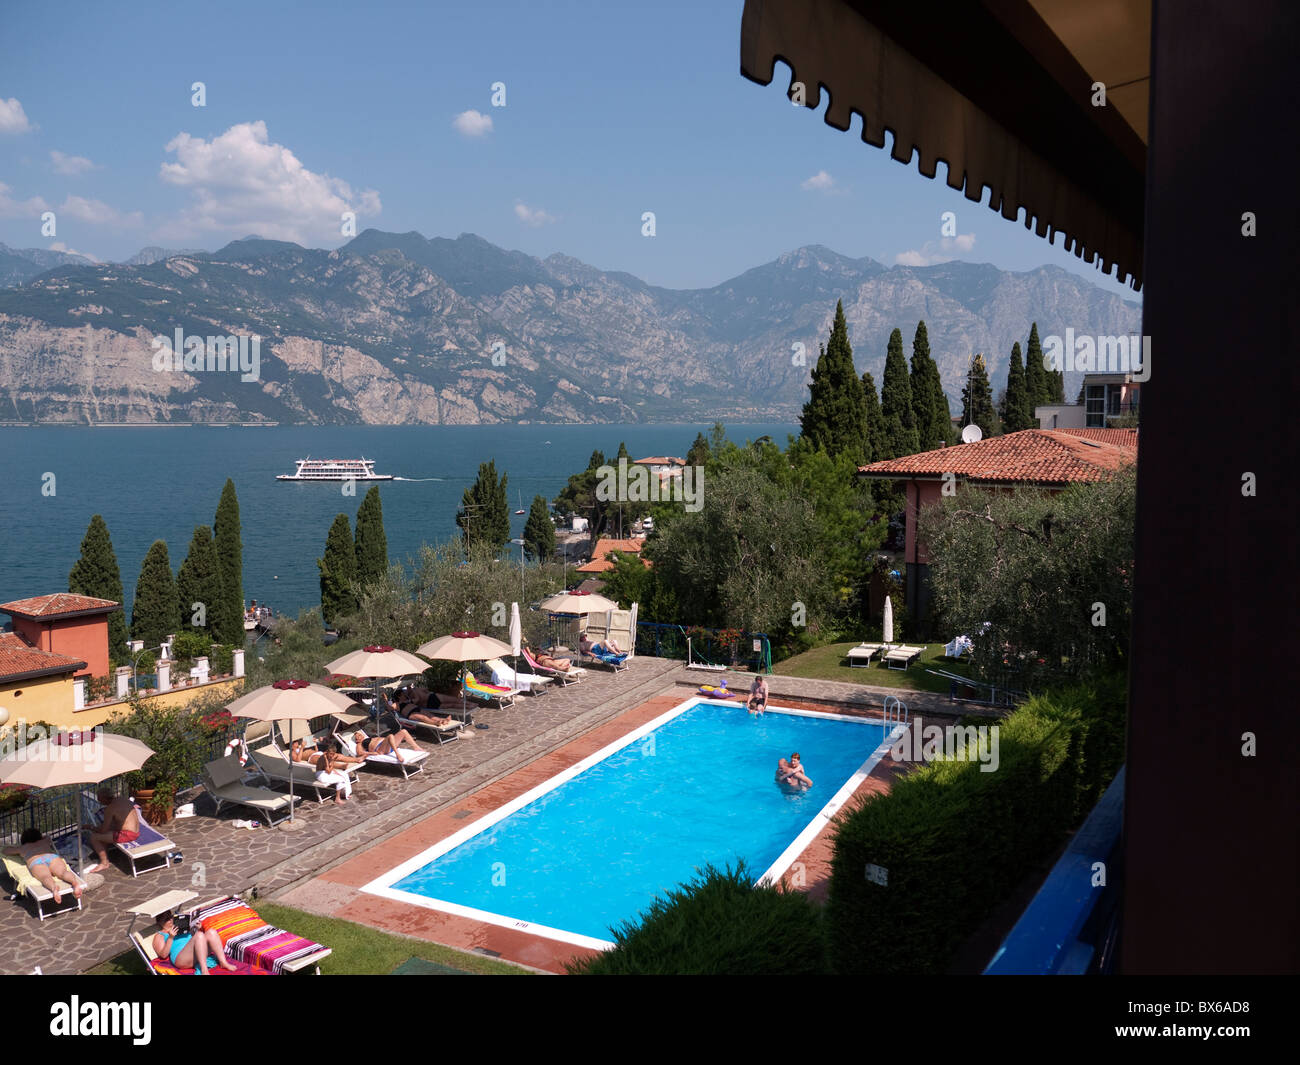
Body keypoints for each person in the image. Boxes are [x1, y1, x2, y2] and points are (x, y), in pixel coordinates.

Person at [2, 828, 84, 902]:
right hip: (51, 857)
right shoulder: (44, 841)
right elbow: (47, 836)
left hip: (36, 861)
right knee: (63, 872)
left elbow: (5, 851)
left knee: (45, 877)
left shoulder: (23, 848)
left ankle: (54, 888)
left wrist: (16, 847)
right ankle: (74, 883)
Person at [151, 911, 238, 974]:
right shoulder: (159, 936)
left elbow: (194, 940)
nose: (170, 920)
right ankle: (204, 970)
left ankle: (223, 962)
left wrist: (198, 928)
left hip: (196, 953)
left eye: (171, 917)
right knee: (199, 935)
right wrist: (170, 937)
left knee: (211, 932)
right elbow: (163, 955)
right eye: (167, 919)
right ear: (160, 922)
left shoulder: (180, 927)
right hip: (181, 959)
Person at [86, 787, 140, 873]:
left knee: (95, 837)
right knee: (105, 834)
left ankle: (104, 863)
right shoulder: (123, 799)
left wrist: (91, 827)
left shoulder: (110, 808)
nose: (99, 802)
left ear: (104, 798)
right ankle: (105, 854)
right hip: (136, 831)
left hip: (127, 835)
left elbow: (103, 830)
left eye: (100, 800)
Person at [349, 727, 421, 760]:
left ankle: (416, 747)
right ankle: (397, 754)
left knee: (403, 731)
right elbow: (359, 753)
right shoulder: (359, 744)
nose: (359, 736)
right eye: (357, 737)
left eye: (359, 734)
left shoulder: (367, 737)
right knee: (390, 736)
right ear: (356, 740)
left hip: (389, 745)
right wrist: (372, 753)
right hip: (381, 749)